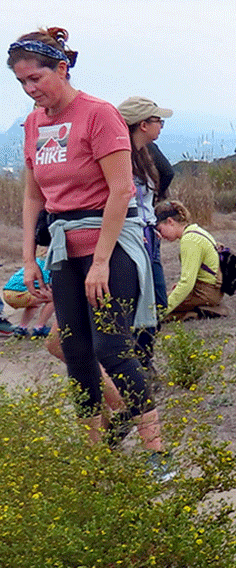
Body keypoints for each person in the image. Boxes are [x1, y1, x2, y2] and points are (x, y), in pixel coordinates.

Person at [7, 28, 168, 471]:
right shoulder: (34, 124)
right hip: (63, 247)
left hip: (110, 244)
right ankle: (96, 456)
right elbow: (33, 195)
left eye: (36, 78)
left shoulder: (99, 114)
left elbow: (121, 190)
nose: (30, 89)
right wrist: (29, 259)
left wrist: (100, 262)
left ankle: (157, 453)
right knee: (75, 350)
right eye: (21, 82)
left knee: (111, 347)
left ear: (62, 69)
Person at [117, 96, 173, 367]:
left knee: (156, 303)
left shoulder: (145, 155)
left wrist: (151, 222)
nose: (161, 126)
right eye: (157, 121)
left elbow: (163, 178)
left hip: (147, 234)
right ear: (142, 124)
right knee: (135, 304)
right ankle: (134, 366)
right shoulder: (119, 157)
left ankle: (144, 360)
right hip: (128, 236)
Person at [154, 199, 225, 321]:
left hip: (204, 293)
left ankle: (195, 313)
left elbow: (186, 283)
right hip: (213, 290)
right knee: (165, 299)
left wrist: (162, 311)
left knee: (155, 307)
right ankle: (203, 309)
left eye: (160, 229)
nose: (161, 235)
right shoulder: (195, 231)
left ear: (170, 221)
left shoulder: (190, 240)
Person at [3, 254, 54, 336]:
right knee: (55, 298)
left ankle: (22, 328)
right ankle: (39, 327)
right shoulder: (48, 264)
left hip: (7, 292)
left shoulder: (35, 261)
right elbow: (47, 285)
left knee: (35, 303)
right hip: (18, 293)